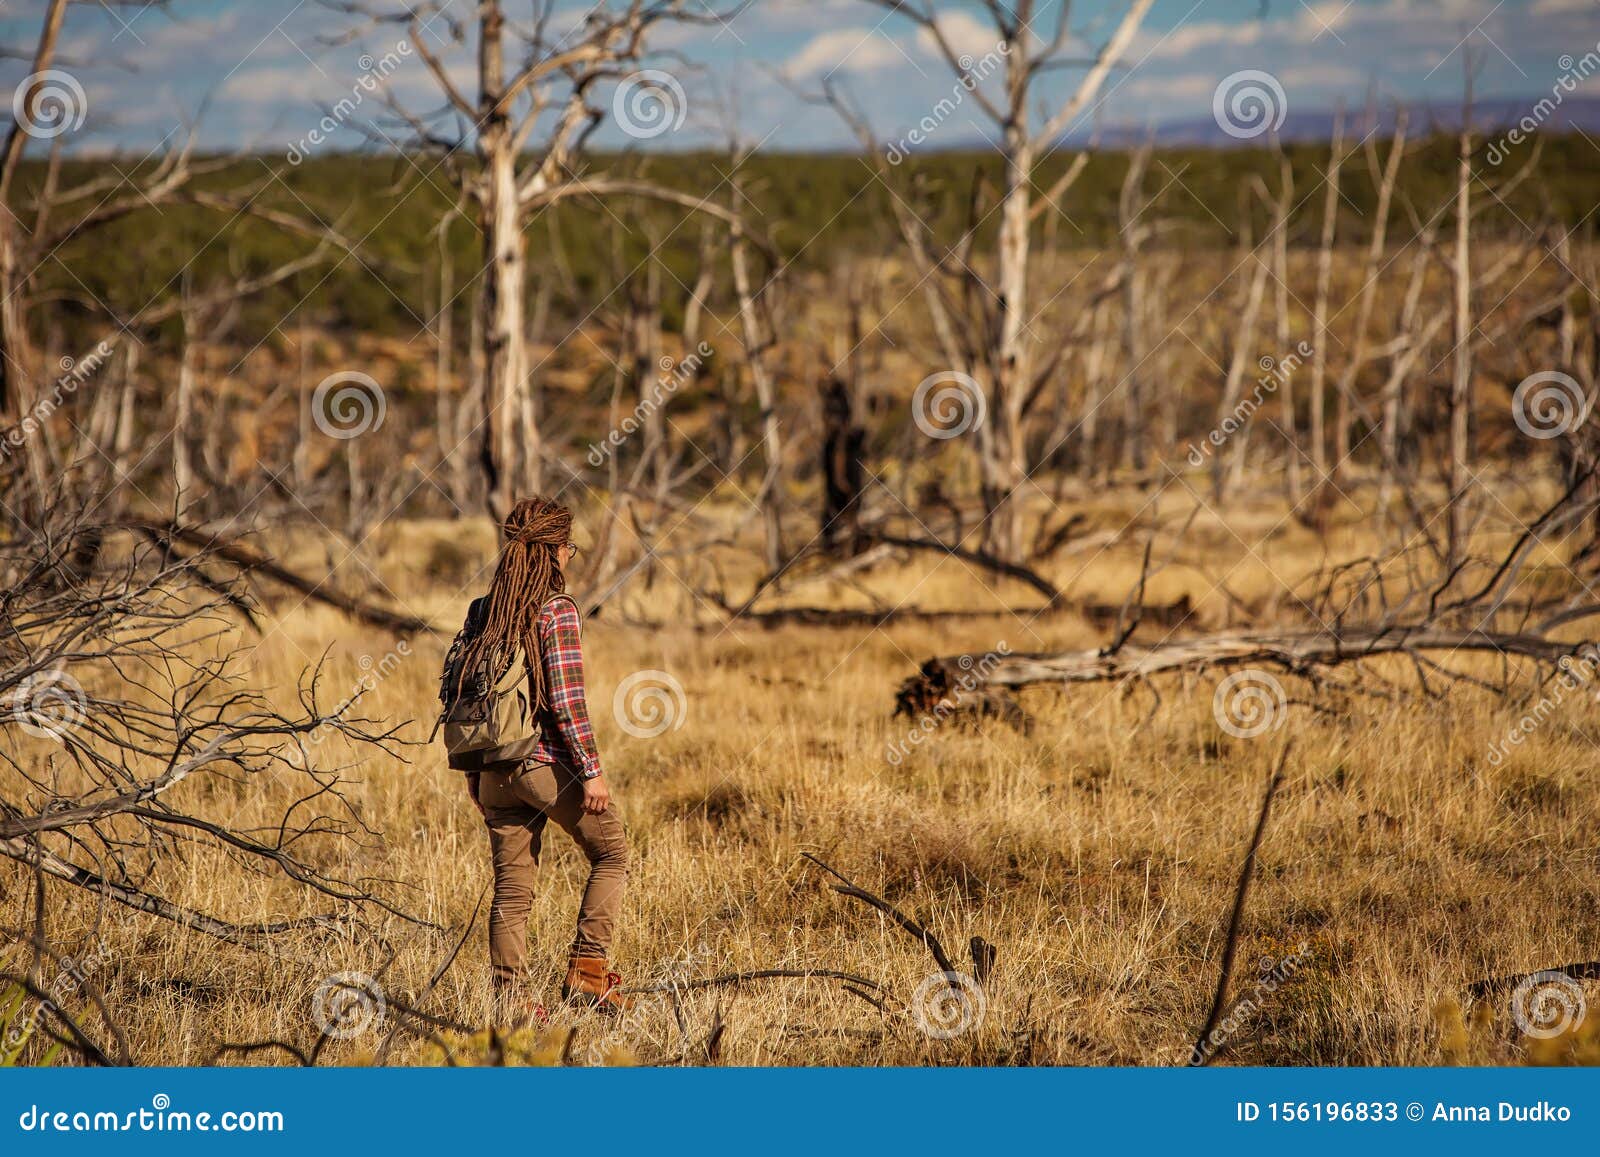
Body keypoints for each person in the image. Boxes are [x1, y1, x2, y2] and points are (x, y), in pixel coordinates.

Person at [457, 497, 631, 1019]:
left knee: (512, 892)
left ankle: (511, 1004)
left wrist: (474, 771)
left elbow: (463, 692)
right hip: (540, 764)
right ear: (554, 551)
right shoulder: (556, 610)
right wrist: (591, 772)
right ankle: (588, 969)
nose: (571, 557)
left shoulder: (483, 611)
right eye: (569, 548)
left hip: (490, 766)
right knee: (613, 854)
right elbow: (565, 699)